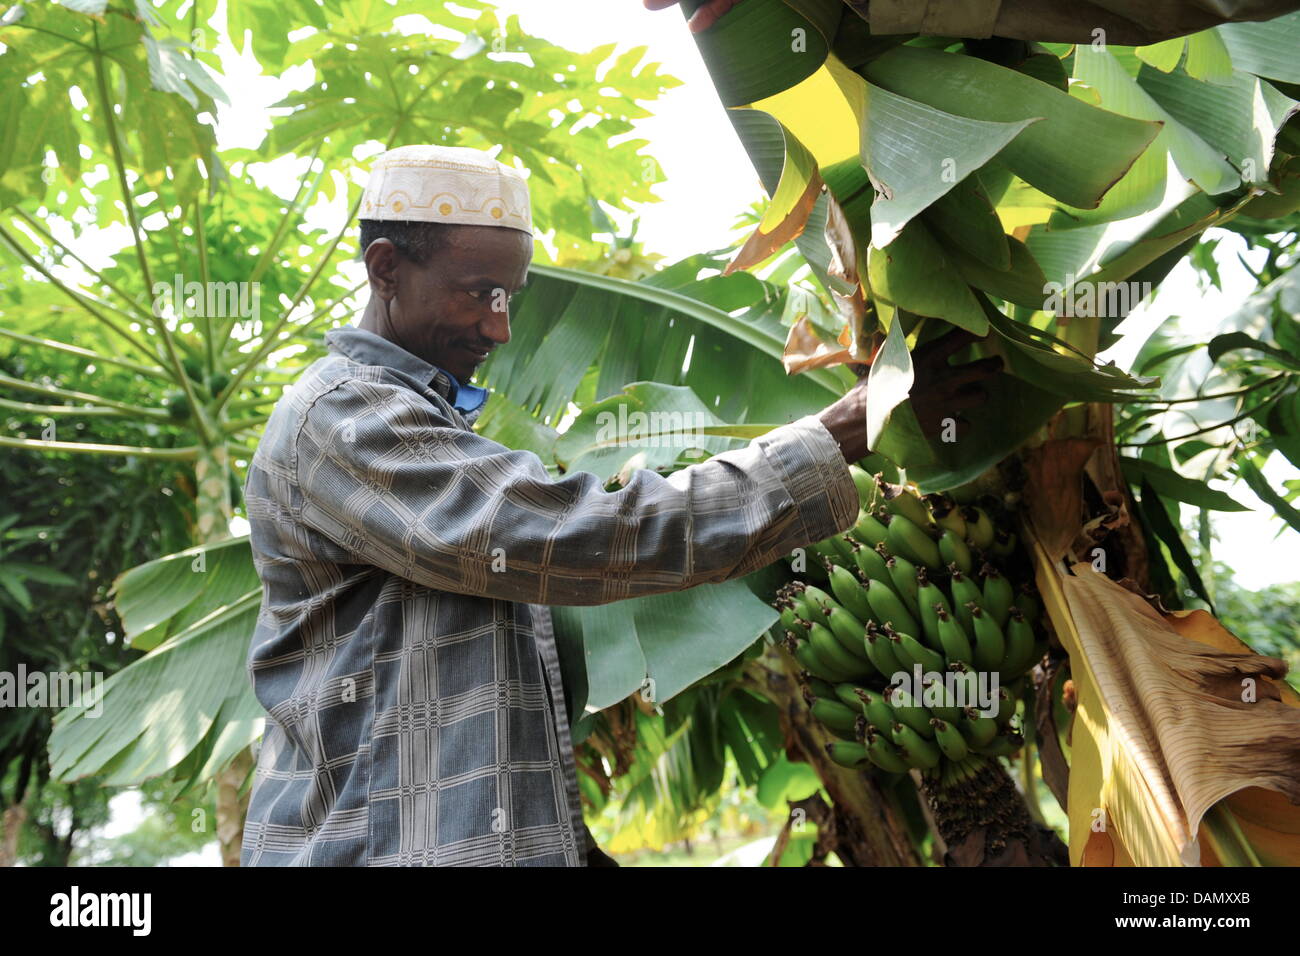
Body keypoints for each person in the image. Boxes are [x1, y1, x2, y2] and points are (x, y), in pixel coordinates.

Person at [238, 140, 998, 867]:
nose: (499, 327)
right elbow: (587, 534)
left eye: (509, 299)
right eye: (478, 295)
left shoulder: (429, 425)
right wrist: (840, 432)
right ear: (385, 268)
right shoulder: (346, 421)